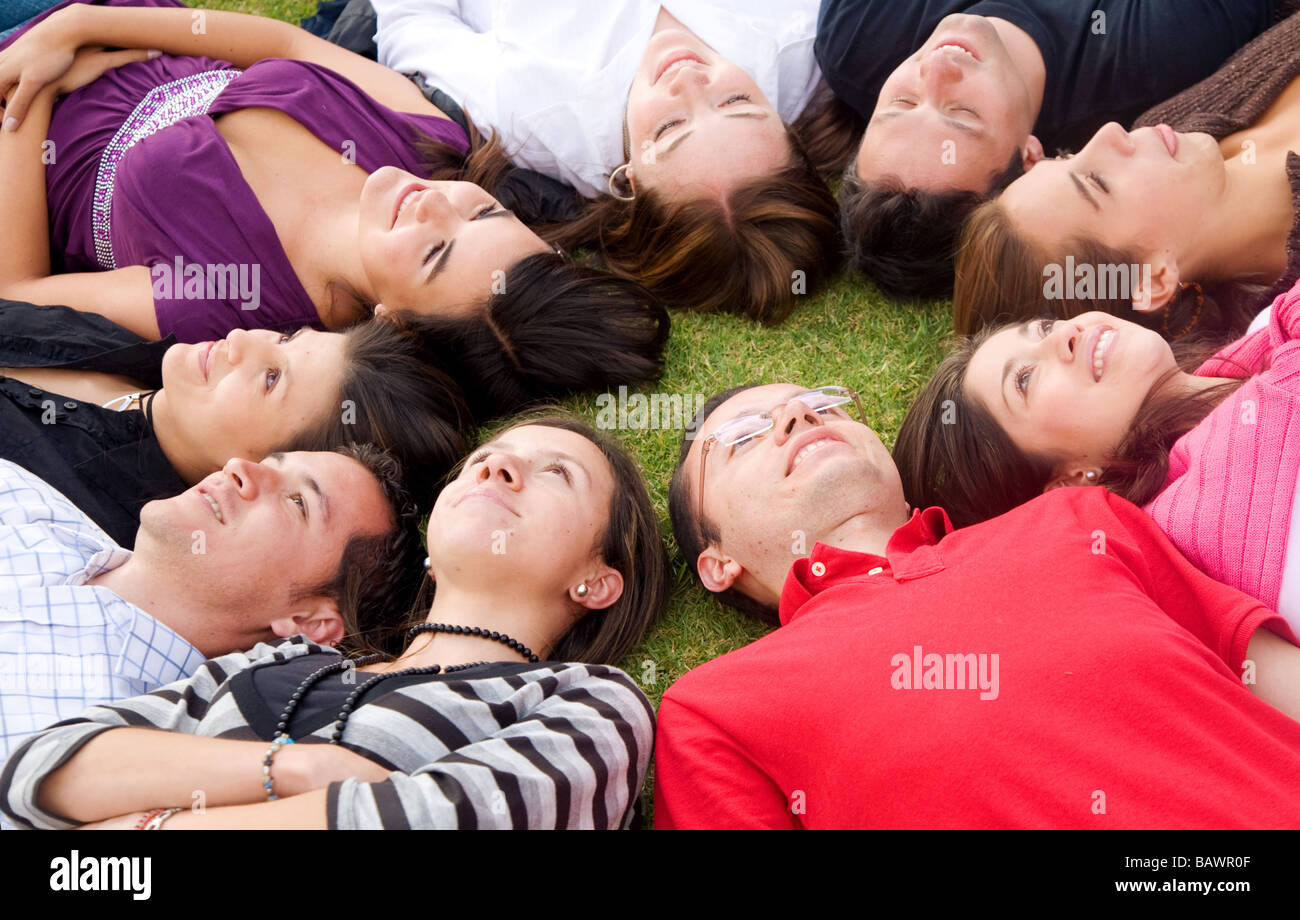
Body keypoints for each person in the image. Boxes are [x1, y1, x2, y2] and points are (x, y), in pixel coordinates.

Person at [655, 382, 1300, 828]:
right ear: (717, 564)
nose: (800, 420)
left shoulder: (1078, 518)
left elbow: (1275, 678)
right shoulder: (713, 710)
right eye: (741, 437)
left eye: (820, 404)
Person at [1, 415, 671, 830]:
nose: (498, 466)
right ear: (431, 552)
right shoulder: (267, 667)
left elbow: (430, 820)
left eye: (557, 474)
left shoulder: (591, 702)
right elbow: (33, 772)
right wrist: (296, 770)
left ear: (597, 580)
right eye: (484, 459)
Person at [0, 0, 670, 366]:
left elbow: (19, 292)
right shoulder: (431, 145)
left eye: (437, 252)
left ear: (399, 323)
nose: (435, 206)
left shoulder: (235, 305)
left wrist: (34, 90)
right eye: (485, 215)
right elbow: (286, 47)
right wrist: (82, 27)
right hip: (103, 19)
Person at [371, 0, 846, 324]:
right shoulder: (806, 44)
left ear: (629, 181)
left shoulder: (532, 114)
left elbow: (411, 24)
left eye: (670, 128)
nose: (690, 82)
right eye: (737, 101)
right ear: (788, 130)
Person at [895, 281, 1300, 632]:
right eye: (1024, 379)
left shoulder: (1266, 334)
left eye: (1044, 326)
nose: (1065, 334)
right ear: (1069, 482)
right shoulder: (1215, 516)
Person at [818, 0, 1287, 299]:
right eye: (963, 114)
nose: (937, 66)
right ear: (1030, 157)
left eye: (900, 103)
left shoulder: (857, 36)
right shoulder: (1161, 56)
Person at [0, 445, 420, 770]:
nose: (240, 466)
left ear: (307, 623)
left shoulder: (91, 739)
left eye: (297, 502)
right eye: (269, 461)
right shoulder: (22, 496)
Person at [0, 298, 470, 547]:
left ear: (268, 470)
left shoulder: (74, 518)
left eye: (270, 379)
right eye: (286, 338)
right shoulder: (135, 351)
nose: (242, 337)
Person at [952, 8, 1300, 338]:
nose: (1109, 132)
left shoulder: (1177, 126)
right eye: (1099, 182)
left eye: (1066, 156)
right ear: (1154, 280)